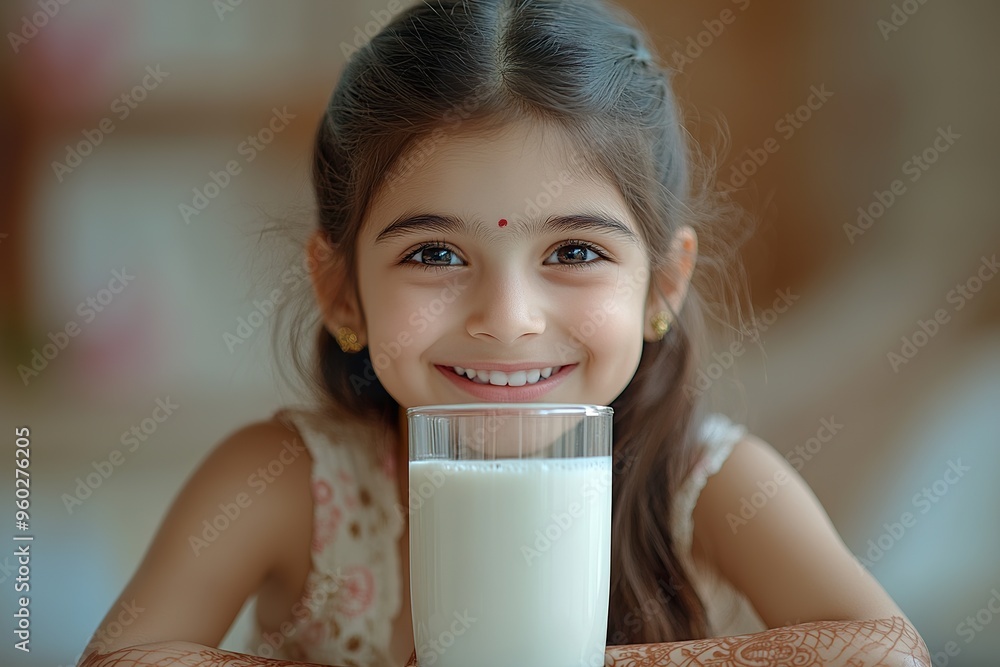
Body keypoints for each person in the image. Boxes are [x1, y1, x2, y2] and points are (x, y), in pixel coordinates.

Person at [80, 1, 931, 666]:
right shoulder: (291, 484)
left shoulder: (703, 483)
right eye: (437, 251)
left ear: (660, 286)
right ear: (342, 293)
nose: (507, 317)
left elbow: (889, 649)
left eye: (573, 249)